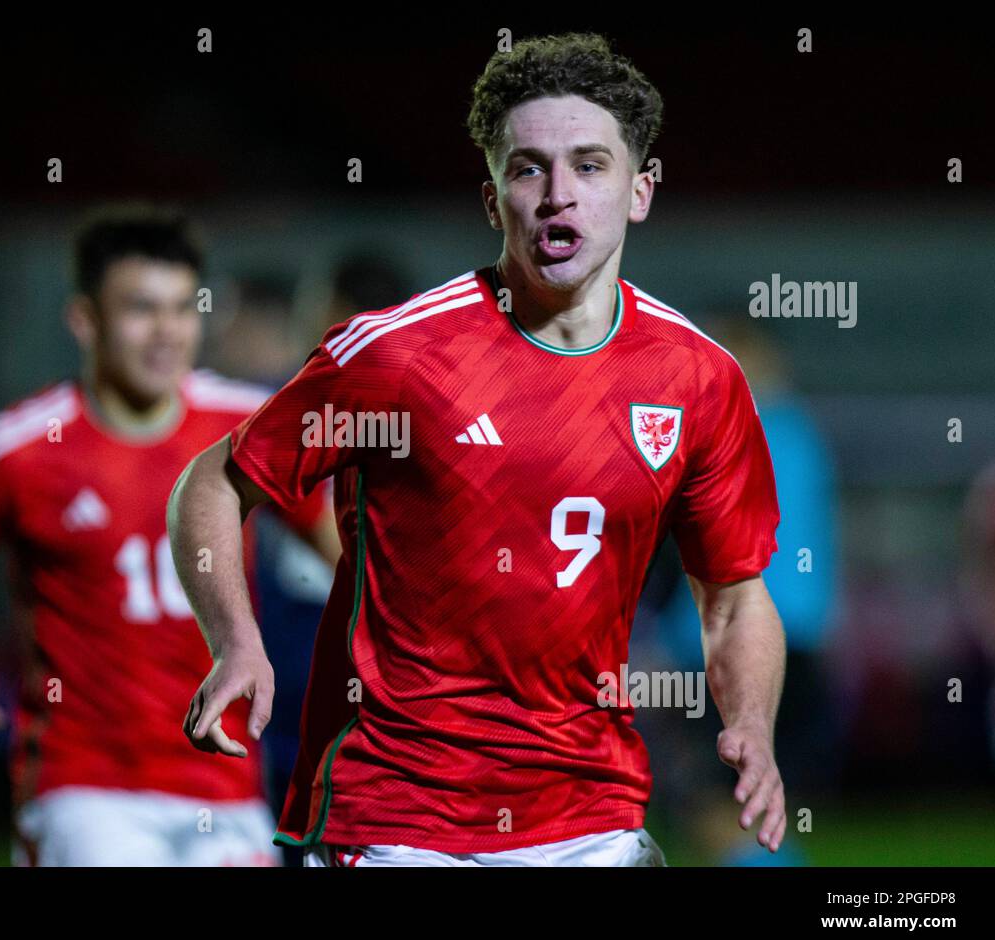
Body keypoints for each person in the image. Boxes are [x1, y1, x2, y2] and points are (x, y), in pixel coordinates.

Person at [168, 32, 785, 867]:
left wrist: (750, 722)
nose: (559, 195)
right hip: (398, 814)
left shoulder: (700, 379)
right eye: (528, 168)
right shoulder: (396, 356)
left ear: (641, 190)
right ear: (493, 200)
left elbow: (735, 596)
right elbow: (215, 480)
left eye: (591, 166)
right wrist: (236, 640)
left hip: (589, 811)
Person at [0, 210, 335, 866]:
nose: (166, 332)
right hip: (84, 792)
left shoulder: (245, 427)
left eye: (182, 308)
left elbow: (346, 554)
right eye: (141, 310)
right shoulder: (19, 450)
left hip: (224, 788)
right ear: (85, 320)